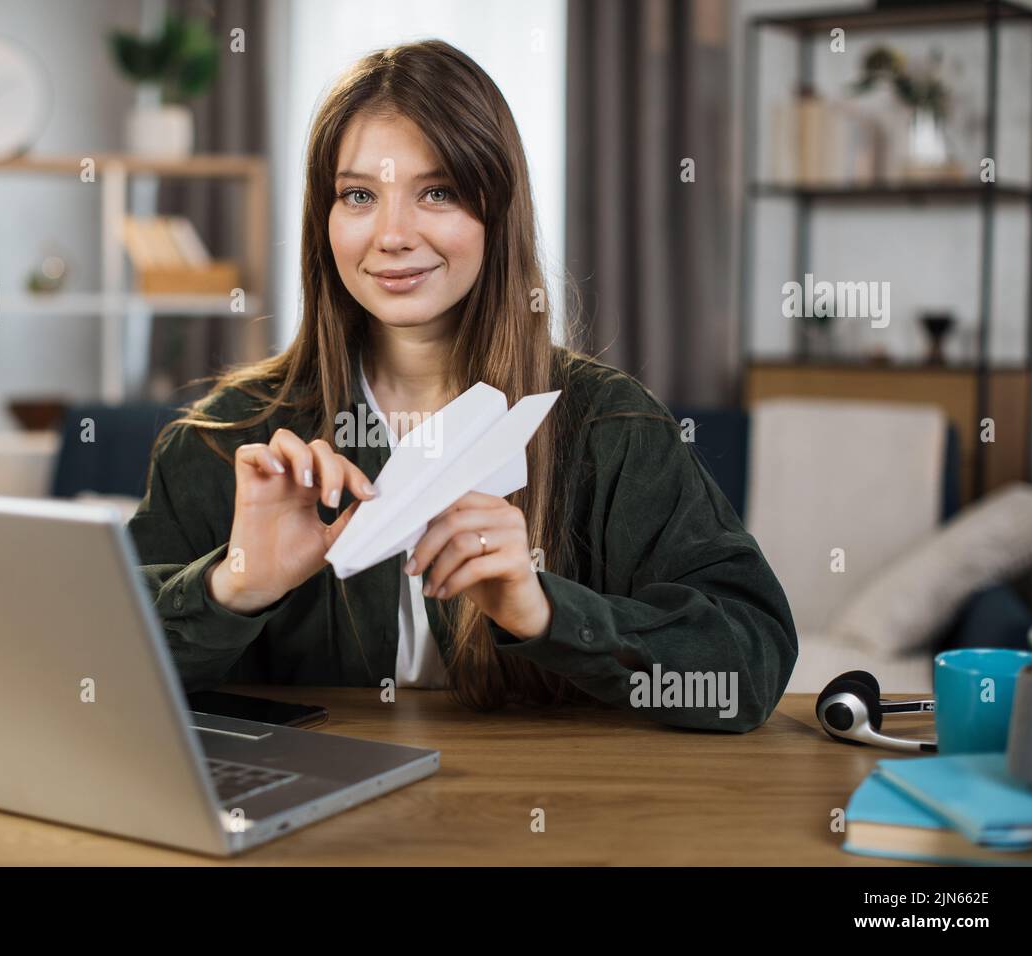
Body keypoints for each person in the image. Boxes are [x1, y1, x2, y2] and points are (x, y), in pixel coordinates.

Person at [128, 39, 797, 732]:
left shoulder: (611, 426)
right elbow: (90, 683)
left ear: (497, 210)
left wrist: (544, 611)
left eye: (438, 192)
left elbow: (746, 673)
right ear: (323, 221)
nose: (392, 235)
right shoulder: (225, 441)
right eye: (358, 195)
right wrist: (231, 586)